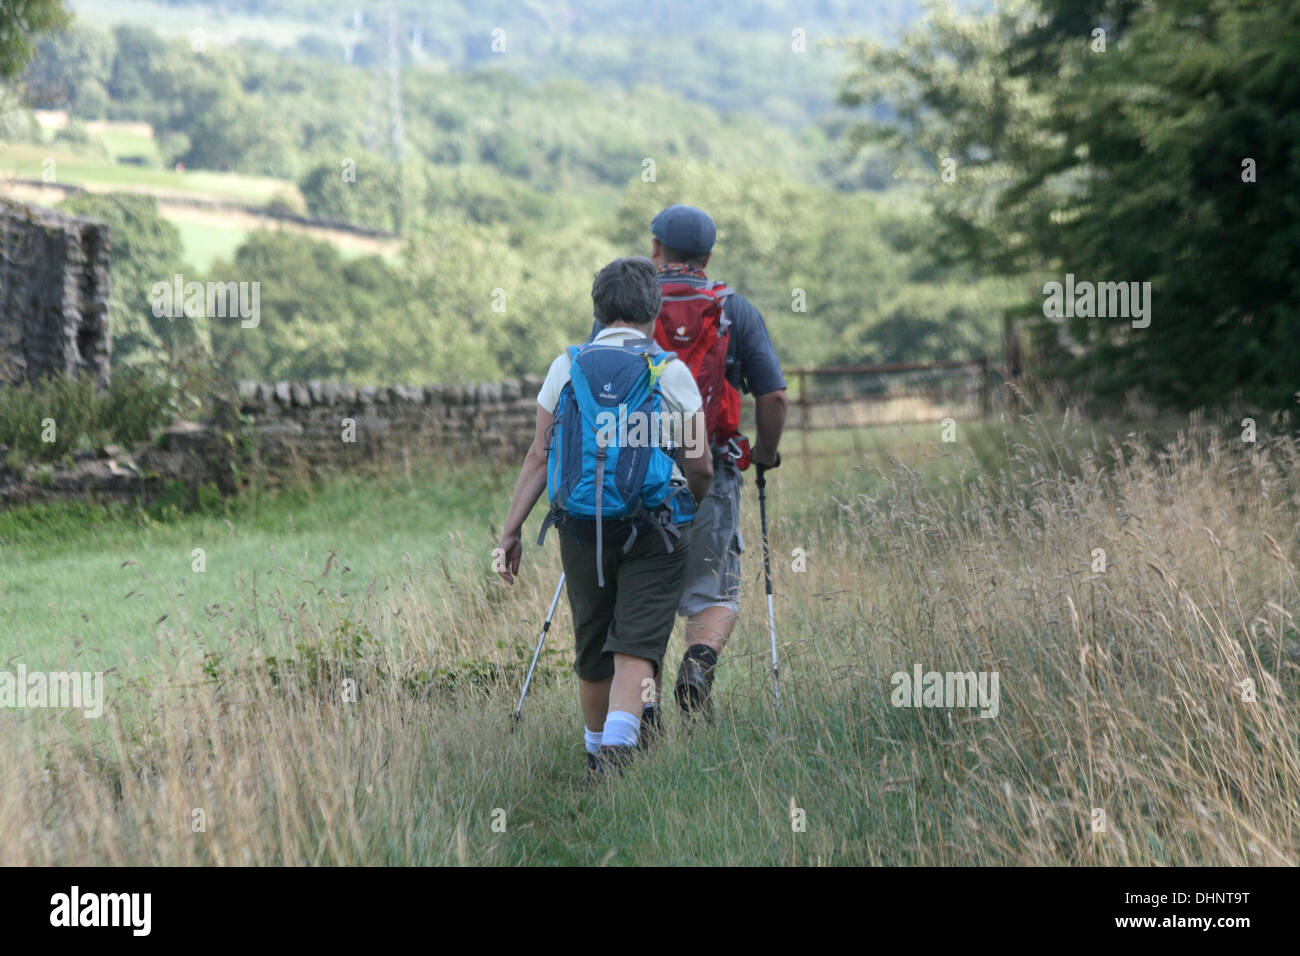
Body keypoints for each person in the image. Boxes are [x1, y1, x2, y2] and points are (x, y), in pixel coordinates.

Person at [496, 256, 712, 778]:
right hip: (655, 528)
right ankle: (617, 754)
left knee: (593, 646)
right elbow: (700, 462)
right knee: (635, 642)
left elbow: (539, 455)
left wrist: (510, 531)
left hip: (580, 526)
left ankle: (596, 753)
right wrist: (689, 507)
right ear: (653, 312)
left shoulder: (567, 366)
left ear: (598, 308)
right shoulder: (669, 372)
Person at [591, 205, 788, 718]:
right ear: (708, 255)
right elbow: (773, 397)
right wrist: (764, 454)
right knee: (712, 587)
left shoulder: (625, 303)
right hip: (711, 468)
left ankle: (642, 707)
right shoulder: (733, 310)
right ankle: (698, 663)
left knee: (642, 590)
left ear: (655, 248)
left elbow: (592, 385)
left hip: (628, 473)